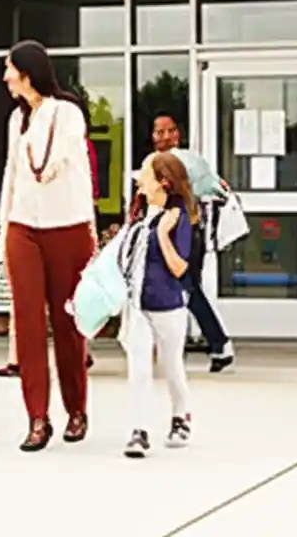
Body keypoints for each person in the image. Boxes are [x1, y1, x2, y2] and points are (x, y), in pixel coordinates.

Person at [0, 40, 97, 452]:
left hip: (66, 226)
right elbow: (13, 175)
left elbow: (51, 163)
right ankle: (37, 417)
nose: (4, 77)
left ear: (28, 73)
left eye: (9, 69)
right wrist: (5, 233)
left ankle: (77, 408)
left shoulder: (67, 112)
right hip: (24, 227)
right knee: (28, 326)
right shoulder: (15, 120)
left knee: (68, 321)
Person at [140, 112, 236, 373]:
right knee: (187, 289)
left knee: (186, 289)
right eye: (159, 132)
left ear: (178, 134)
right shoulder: (162, 161)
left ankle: (216, 344)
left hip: (184, 230)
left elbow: (217, 188)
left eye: (170, 130)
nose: (165, 136)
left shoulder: (185, 161)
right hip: (182, 229)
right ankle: (216, 345)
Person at [119, 152, 197, 458]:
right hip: (138, 303)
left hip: (168, 305)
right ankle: (139, 430)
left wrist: (163, 235)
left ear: (163, 181)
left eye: (145, 173)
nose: (139, 178)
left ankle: (181, 415)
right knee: (138, 369)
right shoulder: (141, 214)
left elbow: (179, 268)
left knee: (171, 366)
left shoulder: (178, 218)